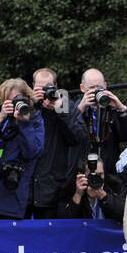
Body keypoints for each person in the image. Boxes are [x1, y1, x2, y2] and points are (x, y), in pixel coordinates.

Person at [0, 79, 45, 220]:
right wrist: (0, 118)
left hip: (14, 191)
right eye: (10, 101)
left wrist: (24, 123)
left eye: (19, 99)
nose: (15, 104)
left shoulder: (35, 120)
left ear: (27, 99)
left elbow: (32, 152)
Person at [29, 67, 83, 219]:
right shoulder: (28, 106)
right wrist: (33, 104)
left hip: (53, 189)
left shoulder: (64, 105)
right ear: (33, 87)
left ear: (56, 87)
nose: (45, 92)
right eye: (40, 88)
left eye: (48, 87)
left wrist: (59, 110)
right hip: (28, 188)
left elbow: (76, 138)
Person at [72, 68, 127, 173]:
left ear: (105, 85)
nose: (96, 91)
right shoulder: (76, 109)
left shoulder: (111, 108)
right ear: (82, 88)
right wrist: (80, 109)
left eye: (99, 87)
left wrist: (121, 109)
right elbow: (68, 134)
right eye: (92, 88)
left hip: (109, 171)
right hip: (82, 171)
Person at [59, 154, 125, 222]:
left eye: (100, 174)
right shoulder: (70, 190)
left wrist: (104, 196)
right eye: (91, 175)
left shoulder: (114, 186)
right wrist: (78, 195)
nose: (96, 178)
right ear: (81, 175)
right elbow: (64, 224)